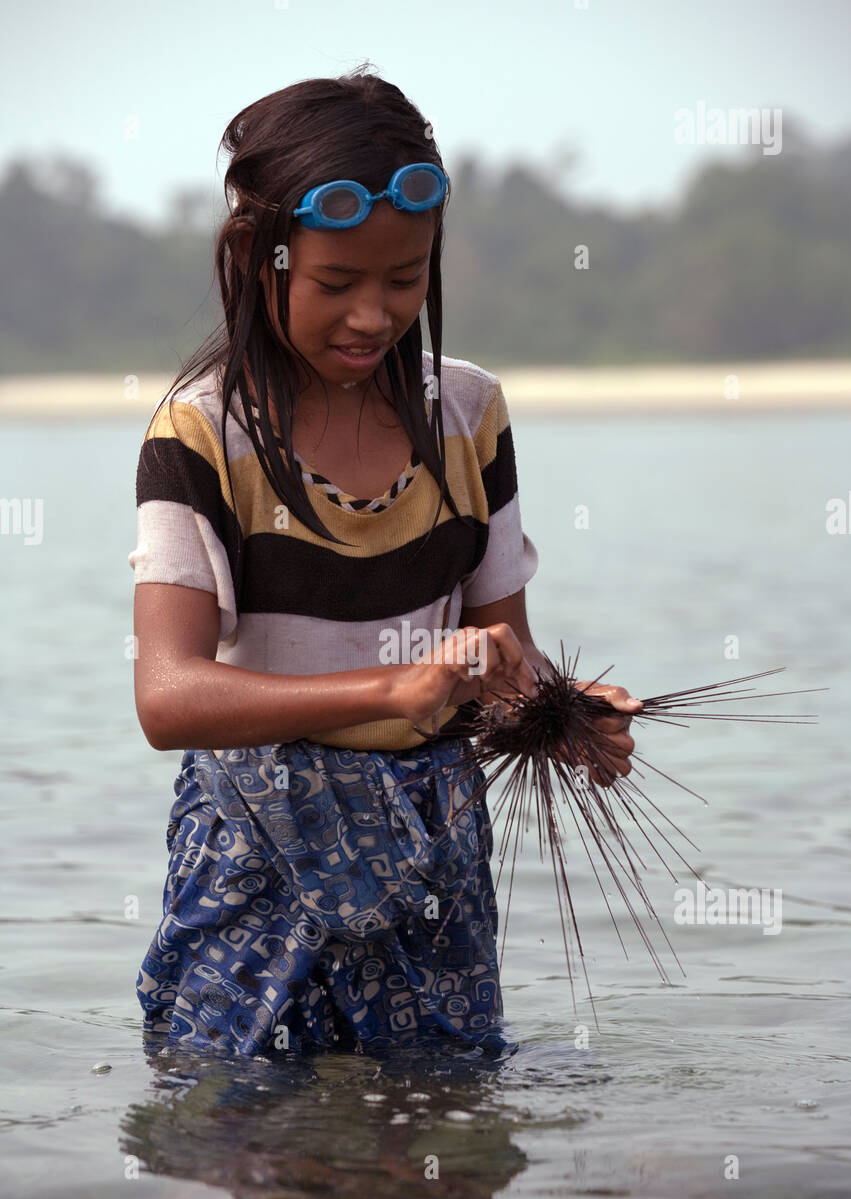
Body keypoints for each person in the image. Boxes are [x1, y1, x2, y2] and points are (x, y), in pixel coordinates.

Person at [129, 67, 641, 1059]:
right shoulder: (201, 434)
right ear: (255, 258)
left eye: (403, 279)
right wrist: (390, 684)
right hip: (254, 854)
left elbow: (499, 663)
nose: (372, 315)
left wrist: (565, 713)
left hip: (431, 851)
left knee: (436, 1150)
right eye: (334, 284)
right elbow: (169, 696)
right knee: (252, 1143)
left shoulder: (467, 415)